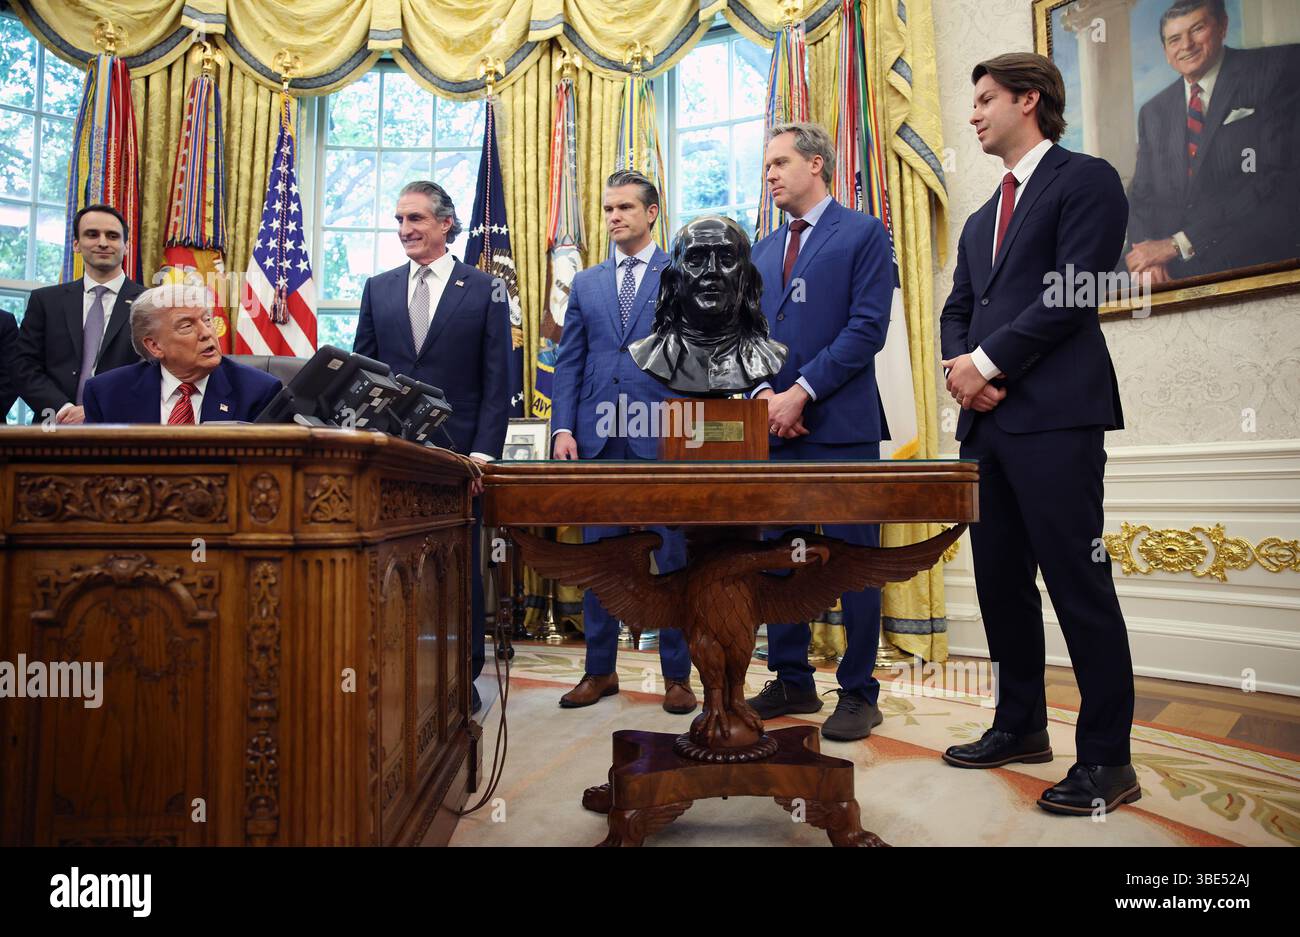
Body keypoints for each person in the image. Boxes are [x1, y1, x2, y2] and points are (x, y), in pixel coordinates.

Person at [939, 52, 1138, 815]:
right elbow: (958, 304)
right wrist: (963, 365)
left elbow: (1072, 293)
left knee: (1078, 585)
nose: (974, 114)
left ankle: (1108, 762)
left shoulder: (1087, 180)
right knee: (1000, 585)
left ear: (1030, 99)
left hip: (1057, 418)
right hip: (986, 427)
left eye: (985, 99)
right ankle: (1019, 724)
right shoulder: (982, 217)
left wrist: (987, 363)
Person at [743, 121, 894, 742]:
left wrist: (801, 392)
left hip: (843, 428)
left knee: (855, 562)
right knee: (779, 558)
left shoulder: (862, 232)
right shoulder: (757, 251)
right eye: (767, 166)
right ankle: (793, 678)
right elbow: (744, 338)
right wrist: (763, 397)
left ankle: (859, 691)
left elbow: (866, 329)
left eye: (780, 163)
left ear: (817, 165)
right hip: (774, 431)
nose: (771, 174)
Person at [352, 180, 510, 716]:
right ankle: (394, 668)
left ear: (446, 223)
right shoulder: (378, 288)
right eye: (399, 220)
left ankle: (461, 676)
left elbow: (497, 380)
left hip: (459, 455)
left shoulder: (484, 288)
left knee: (458, 571)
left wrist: (484, 454)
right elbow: (363, 374)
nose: (405, 231)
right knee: (393, 566)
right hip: (394, 453)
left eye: (415, 219)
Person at [550, 170, 698, 715]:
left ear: (652, 212)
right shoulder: (586, 283)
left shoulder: (680, 275)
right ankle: (599, 670)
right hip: (596, 440)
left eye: (626, 208)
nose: (614, 217)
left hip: (660, 438)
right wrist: (563, 427)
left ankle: (678, 677)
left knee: (673, 558)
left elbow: (698, 360)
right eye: (608, 208)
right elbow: (570, 362)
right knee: (601, 562)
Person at [1126, 0, 1300, 282]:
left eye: (1197, 29)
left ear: (1222, 27)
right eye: (1174, 39)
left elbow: (1274, 179)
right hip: (1168, 258)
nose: (1186, 45)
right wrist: (1145, 256)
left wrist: (1176, 244)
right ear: (1166, 51)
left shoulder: (1276, 69)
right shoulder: (1153, 112)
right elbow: (1142, 196)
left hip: (1248, 241)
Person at [14, 204, 144, 424]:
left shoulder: (150, 303)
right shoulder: (45, 301)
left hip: (124, 429)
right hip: (52, 428)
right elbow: (23, 367)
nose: (103, 242)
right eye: (92, 234)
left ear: (126, 246)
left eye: (112, 236)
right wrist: (64, 410)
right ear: (76, 244)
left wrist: (95, 409)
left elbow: (156, 371)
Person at [83, 281, 281, 423]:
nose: (206, 333)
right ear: (154, 346)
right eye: (187, 326)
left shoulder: (259, 392)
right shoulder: (107, 394)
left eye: (207, 320)